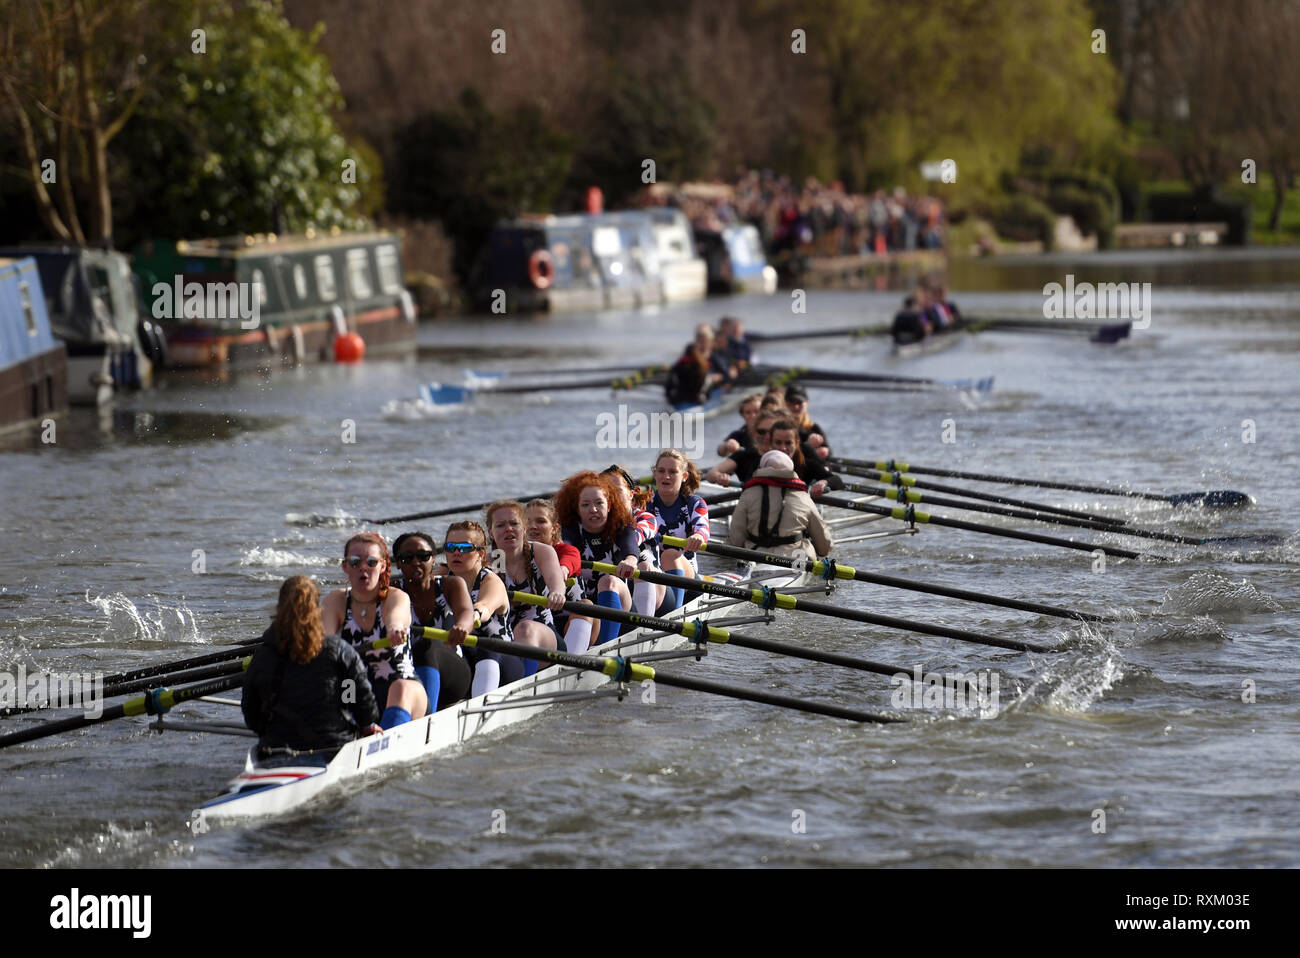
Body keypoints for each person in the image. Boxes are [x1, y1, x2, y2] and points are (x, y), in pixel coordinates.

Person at [242, 576, 379, 765]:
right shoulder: (340, 650)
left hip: (276, 750)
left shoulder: (262, 656)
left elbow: (251, 715)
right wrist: (366, 726)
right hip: (334, 749)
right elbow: (361, 705)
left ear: (279, 609)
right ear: (317, 611)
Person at [322, 532, 427, 730]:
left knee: (401, 687)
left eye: (371, 561)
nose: (363, 567)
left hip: (404, 691)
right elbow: (324, 641)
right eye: (355, 562)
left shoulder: (396, 597)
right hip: (355, 693)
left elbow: (396, 618)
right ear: (345, 566)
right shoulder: (335, 601)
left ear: (383, 565)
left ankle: (382, 741)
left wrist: (395, 629)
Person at [434, 520, 522, 696]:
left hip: (502, 661)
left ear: (481, 553)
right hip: (465, 657)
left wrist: (471, 617)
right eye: (451, 547)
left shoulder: (490, 581)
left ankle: (482, 707)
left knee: (487, 647)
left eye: (465, 548)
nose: (456, 553)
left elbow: (484, 607)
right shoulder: (439, 578)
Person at [555, 470, 639, 646]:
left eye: (599, 503)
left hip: (623, 613)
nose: (593, 510)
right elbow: (568, 549)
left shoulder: (623, 526)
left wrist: (630, 560)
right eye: (585, 505)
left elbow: (631, 548)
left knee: (608, 581)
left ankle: (607, 648)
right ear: (577, 509)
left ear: (609, 505)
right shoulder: (570, 530)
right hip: (586, 611)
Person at [391, 531, 473, 711]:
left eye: (423, 556)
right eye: (406, 558)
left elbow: (467, 613)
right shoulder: (392, 591)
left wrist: (461, 627)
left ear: (433, 559)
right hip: (408, 672)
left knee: (428, 645)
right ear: (398, 563)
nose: (415, 562)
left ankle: (426, 718)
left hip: (453, 677)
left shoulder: (451, 585)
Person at [485, 500, 566, 662]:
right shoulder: (491, 562)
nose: (508, 529)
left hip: (545, 637)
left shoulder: (542, 551)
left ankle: (521, 680)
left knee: (525, 628)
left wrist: (557, 592)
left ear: (524, 528)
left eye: (514, 523)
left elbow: (556, 580)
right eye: (500, 525)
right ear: (491, 533)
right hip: (506, 639)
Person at [727, 450, 833, 560]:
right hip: (796, 559)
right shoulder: (803, 497)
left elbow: (736, 541)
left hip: (756, 558)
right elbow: (825, 547)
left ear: (762, 468)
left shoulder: (748, 493)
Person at [524, 498, 597, 653]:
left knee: (586, 605)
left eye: (541, 521)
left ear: (554, 528)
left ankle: (570, 663)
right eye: (527, 521)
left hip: (576, 622)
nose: (532, 527)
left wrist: (561, 572)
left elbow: (568, 563)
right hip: (537, 627)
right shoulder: (513, 558)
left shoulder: (566, 551)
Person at [647, 449, 710, 612]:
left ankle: (673, 615)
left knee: (669, 554)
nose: (666, 476)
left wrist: (698, 536)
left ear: (684, 477)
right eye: (661, 471)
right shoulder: (645, 504)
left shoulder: (695, 504)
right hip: (653, 571)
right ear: (654, 474)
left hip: (688, 578)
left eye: (673, 472)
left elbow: (703, 528)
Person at [768, 417, 843, 496]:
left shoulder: (805, 464)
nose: (783, 448)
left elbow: (837, 481)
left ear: (797, 444)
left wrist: (824, 482)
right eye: (778, 443)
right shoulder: (759, 462)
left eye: (788, 443)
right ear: (770, 443)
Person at [665, 324, 730, 408]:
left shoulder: (715, 358)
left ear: (710, 342)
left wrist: (719, 377)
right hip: (687, 393)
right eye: (699, 340)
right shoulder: (688, 356)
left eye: (704, 340)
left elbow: (727, 377)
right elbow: (674, 372)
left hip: (708, 391)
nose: (701, 343)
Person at [781, 383, 830, 459]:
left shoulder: (814, 428)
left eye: (799, 403)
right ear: (785, 404)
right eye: (792, 403)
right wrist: (809, 445)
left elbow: (829, 452)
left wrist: (825, 452)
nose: (795, 407)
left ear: (807, 403)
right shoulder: (779, 426)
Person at [716, 391, 765, 457]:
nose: (753, 415)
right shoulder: (740, 434)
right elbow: (720, 451)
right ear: (743, 415)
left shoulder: (770, 431)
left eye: (756, 411)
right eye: (748, 412)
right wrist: (727, 445)